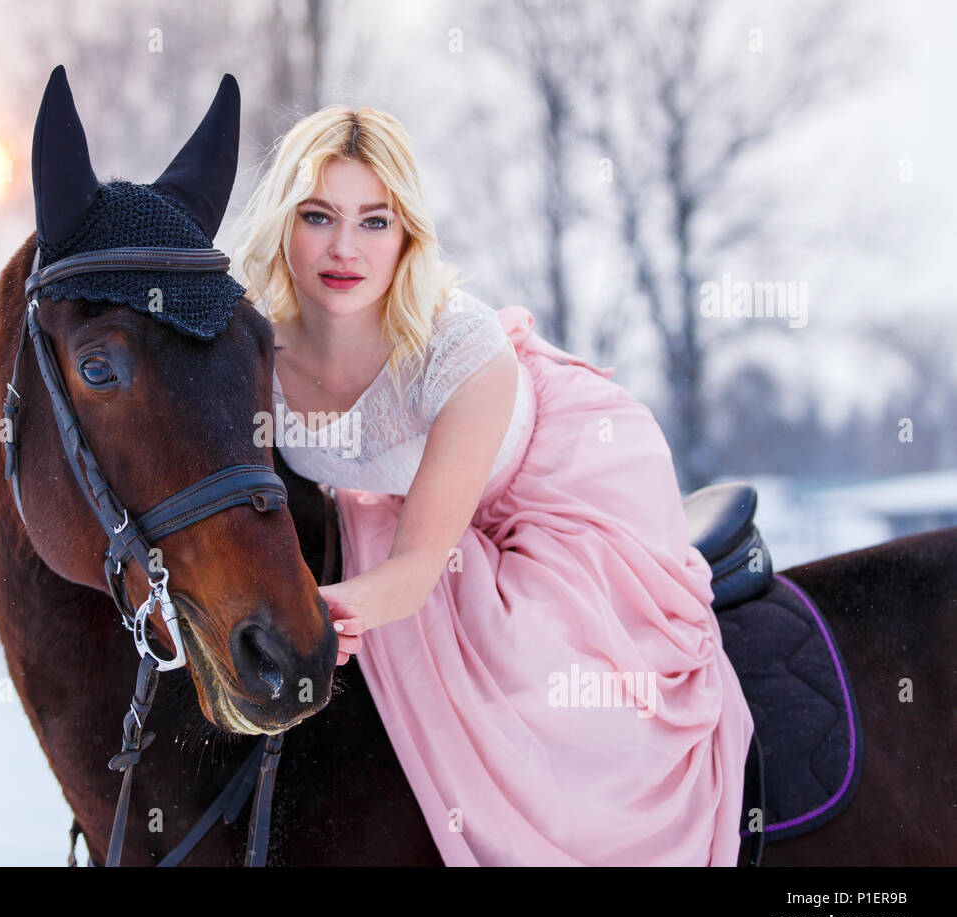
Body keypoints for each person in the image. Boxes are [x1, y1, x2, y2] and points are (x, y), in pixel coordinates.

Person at [233, 106, 754, 866]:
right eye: (319, 216)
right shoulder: (253, 352)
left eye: (375, 222)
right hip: (415, 511)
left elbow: (413, 572)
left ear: (407, 234)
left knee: (547, 684)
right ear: (284, 224)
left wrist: (311, 617)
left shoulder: (457, 346)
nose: (345, 248)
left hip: (559, 482)